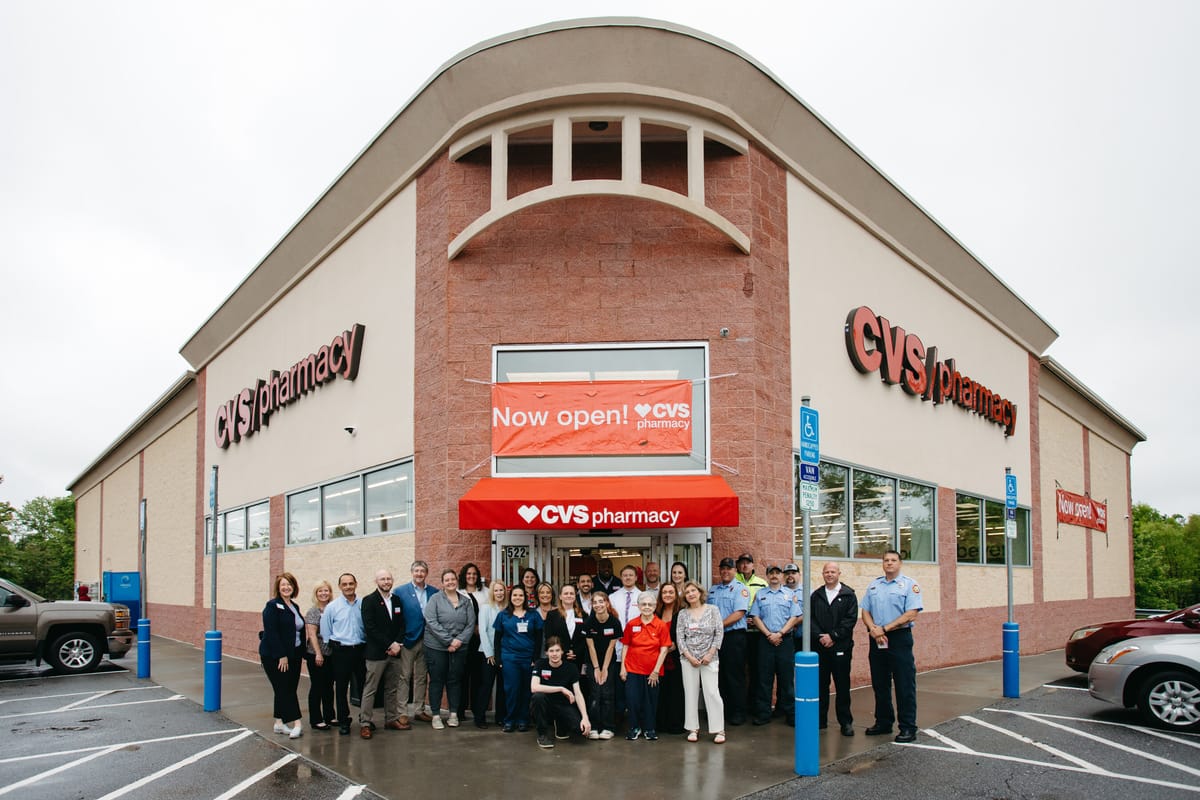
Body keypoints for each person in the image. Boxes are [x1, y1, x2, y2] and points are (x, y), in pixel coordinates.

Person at [860, 549, 923, 743]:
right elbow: (865, 611)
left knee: (904, 684)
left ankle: (907, 727)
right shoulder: (874, 585)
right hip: (877, 638)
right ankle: (884, 722)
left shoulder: (909, 585)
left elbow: (911, 613)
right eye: (886, 560)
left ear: (900, 563)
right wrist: (873, 629)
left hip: (898, 638)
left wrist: (884, 629)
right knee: (880, 683)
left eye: (893, 560)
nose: (889, 563)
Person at [424, 568, 477, 729]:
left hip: (459, 648)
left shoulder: (466, 601)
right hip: (436, 647)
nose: (450, 582)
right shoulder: (435, 599)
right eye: (447, 580)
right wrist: (449, 641)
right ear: (443, 583)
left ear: (457, 581)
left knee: (455, 680)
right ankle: (436, 715)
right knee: (437, 680)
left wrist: (459, 641)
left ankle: (453, 714)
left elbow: (470, 624)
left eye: (453, 579)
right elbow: (431, 622)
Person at [748, 565, 801, 726]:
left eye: (777, 573)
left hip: (785, 640)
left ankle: (791, 714)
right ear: (767, 576)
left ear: (782, 576)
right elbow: (755, 617)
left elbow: (795, 616)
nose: (774, 576)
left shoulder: (790, 594)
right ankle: (764, 714)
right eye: (771, 573)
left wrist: (780, 633)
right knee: (764, 679)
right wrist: (769, 634)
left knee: (786, 680)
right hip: (765, 640)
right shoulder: (760, 594)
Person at [810, 561, 858, 736]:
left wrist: (833, 636)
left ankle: (845, 722)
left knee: (842, 686)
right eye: (826, 572)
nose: (829, 574)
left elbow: (850, 620)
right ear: (822, 574)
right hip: (820, 648)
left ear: (839, 573)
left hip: (841, 648)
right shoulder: (816, 595)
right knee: (821, 685)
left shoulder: (848, 595)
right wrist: (820, 637)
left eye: (833, 572)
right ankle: (820, 720)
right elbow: (811, 619)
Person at [359, 568, 407, 738]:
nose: (386, 582)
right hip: (376, 653)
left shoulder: (397, 600)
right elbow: (370, 628)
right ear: (376, 582)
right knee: (370, 689)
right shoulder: (369, 601)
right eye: (382, 579)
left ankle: (391, 719)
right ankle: (365, 722)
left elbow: (402, 625)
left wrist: (398, 644)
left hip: (395, 653)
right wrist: (390, 644)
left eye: (388, 579)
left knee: (392, 688)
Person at [677, 580, 725, 744]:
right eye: (687, 592)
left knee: (712, 692)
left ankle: (719, 729)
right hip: (688, 660)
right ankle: (692, 728)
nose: (690, 594)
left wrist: (710, 654)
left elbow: (719, 633)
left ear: (699, 592)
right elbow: (680, 638)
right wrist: (689, 657)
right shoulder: (683, 614)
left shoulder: (713, 610)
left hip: (709, 659)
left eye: (693, 590)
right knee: (690, 693)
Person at [259, 572, 305, 739]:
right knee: (285, 689)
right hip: (275, 656)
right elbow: (271, 633)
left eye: (289, 584)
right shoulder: (272, 606)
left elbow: (299, 630)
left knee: (285, 689)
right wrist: (281, 655)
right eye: (283, 585)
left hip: (294, 654)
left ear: (294, 587)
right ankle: (297, 723)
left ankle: (279, 723)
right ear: (278, 588)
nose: (286, 587)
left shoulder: (294, 606)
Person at [620, 591, 670, 741]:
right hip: (633, 669)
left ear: (655, 606)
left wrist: (655, 671)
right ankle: (634, 728)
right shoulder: (632, 624)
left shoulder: (660, 625)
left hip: (652, 672)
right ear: (639, 606)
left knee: (650, 701)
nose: (647, 607)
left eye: (650, 604)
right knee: (632, 700)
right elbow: (625, 646)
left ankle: (649, 729)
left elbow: (664, 649)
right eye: (644, 604)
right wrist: (623, 667)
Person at [319, 573, 366, 735]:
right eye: (344, 584)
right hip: (341, 651)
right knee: (340, 688)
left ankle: (365, 719)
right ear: (339, 587)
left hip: (360, 650)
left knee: (364, 687)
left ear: (356, 584)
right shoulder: (332, 607)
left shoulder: (363, 604)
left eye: (351, 583)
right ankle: (344, 721)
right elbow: (325, 631)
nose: (348, 587)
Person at [493, 585, 543, 732]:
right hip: (509, 658)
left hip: (528, 658)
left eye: (521, 595)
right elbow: (497, 638)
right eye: (515, 595)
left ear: (525, 597)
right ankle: (510, 720)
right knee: (511, 689)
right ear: (511, 597)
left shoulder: (533, 615)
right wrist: (498, 658)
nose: (517, 598)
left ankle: (523, 720)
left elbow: (539, 638)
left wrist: (536, 658)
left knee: (526, 690)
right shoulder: (503, 615)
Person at [394, 560, 437, 726]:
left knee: (421, 677)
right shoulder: (400, 591)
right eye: (416, 571)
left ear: (426, 573)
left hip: (427, 640)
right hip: (408, 640)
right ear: (412, 572)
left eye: (422, 571)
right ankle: (402, 712)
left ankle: (419, 710)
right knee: (404, 676)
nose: (419, 574)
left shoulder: (434, 592)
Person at [530, 636, 592, 748]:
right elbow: (534, 687)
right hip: (545, 704)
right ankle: (542, 734)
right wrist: (561, 688)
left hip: (563, 705)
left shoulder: (571, 668)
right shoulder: (540, 664)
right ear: (546, 653)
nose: (554, 654)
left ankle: (560, 724)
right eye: (551, 651)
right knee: (537, 697)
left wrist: (585, 717)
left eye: (557, 650)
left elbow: (578, 694)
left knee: (580, 730)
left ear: (562, 652)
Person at [709, 557, 749, 725]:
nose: (725, 571)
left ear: (735, 571)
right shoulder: (713, 590)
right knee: (718, 676)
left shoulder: (740, 589)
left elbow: (739, 613)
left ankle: (738, 712)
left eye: (729, 568)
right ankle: (722, 712)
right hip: (715, 639)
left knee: (734, 676)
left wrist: (718, 625)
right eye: (723, 568)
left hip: (733, 638)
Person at [582, 590, 620, 740]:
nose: (598, 605)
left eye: (601, 601)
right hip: (593, 662)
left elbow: (611, 647)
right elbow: (590, 647)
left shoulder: (615, 622)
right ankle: (594, 726)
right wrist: (597, 669)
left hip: (609, 662)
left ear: (607, 603)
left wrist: (605, 669)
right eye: (595, 602)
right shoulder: (589, 623)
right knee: (595, 693)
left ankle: (608, 727)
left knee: (607, 694)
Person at [735, 553, 769, 715]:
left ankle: (756, 705)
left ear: (753, 565)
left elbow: (767, 605)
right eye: (741, 563)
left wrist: (756, 619)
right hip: (740, 632)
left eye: (747, 563)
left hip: (757, 633)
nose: (744, 566)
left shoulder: (762, 583)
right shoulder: (734, 582)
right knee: (740, 669)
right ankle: (742, 705)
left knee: (757, 670)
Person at [475, 580, 508, 729]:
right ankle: (479, 717)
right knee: (486, 685)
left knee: (502, 687)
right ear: (492, 593)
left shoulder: (508, 609)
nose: (499, 593)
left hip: (505, 654)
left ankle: (500, 717)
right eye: (496, 590)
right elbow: (482, 630)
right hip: (488, 654)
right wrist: (489, 654)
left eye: (501, 590)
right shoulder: (486, 608)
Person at [304, 580, 336, 731]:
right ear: (316, 594)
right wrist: (318, 654)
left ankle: (330, 716)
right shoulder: (313, 611)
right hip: (316, 655)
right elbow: (312, 635)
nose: (324, 593)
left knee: (329, 687)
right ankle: (316, 719)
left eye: (326, 591)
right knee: (317, 686)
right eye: (320, 591)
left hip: (331, 654)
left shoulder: (333, 609)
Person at [654, 582, 684, 734]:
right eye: (664, 592)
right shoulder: (656, 612)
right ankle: (661, 724)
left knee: (676, 692)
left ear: (676, 594)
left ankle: (675, 724)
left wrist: (677, 645)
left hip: (677, 658)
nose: (667, 595)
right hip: (659, 659)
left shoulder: (682, 612)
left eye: (671, 592)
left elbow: (687, 633)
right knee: (661, 691)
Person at [457, 563, 487, 723]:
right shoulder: (457, 592)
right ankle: (460, 711)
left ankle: (477, 709)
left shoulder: (485, 592)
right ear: (463, 576)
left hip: (480, 641)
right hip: (463, 640)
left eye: (474, 574)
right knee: (461, 676)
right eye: (468, 574)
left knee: (478, 677)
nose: (471, 576)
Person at [544, 583, 587, 670]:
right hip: (559, 658)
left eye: (571, 593)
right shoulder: (552, 615)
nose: (569, 596)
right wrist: (564, 651)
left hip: (578, 659)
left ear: (575, 596)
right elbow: (549, 637)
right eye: (566, 593)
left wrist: (576, 652)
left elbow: (586, 637)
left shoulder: (583, 615)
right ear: (560, 596)